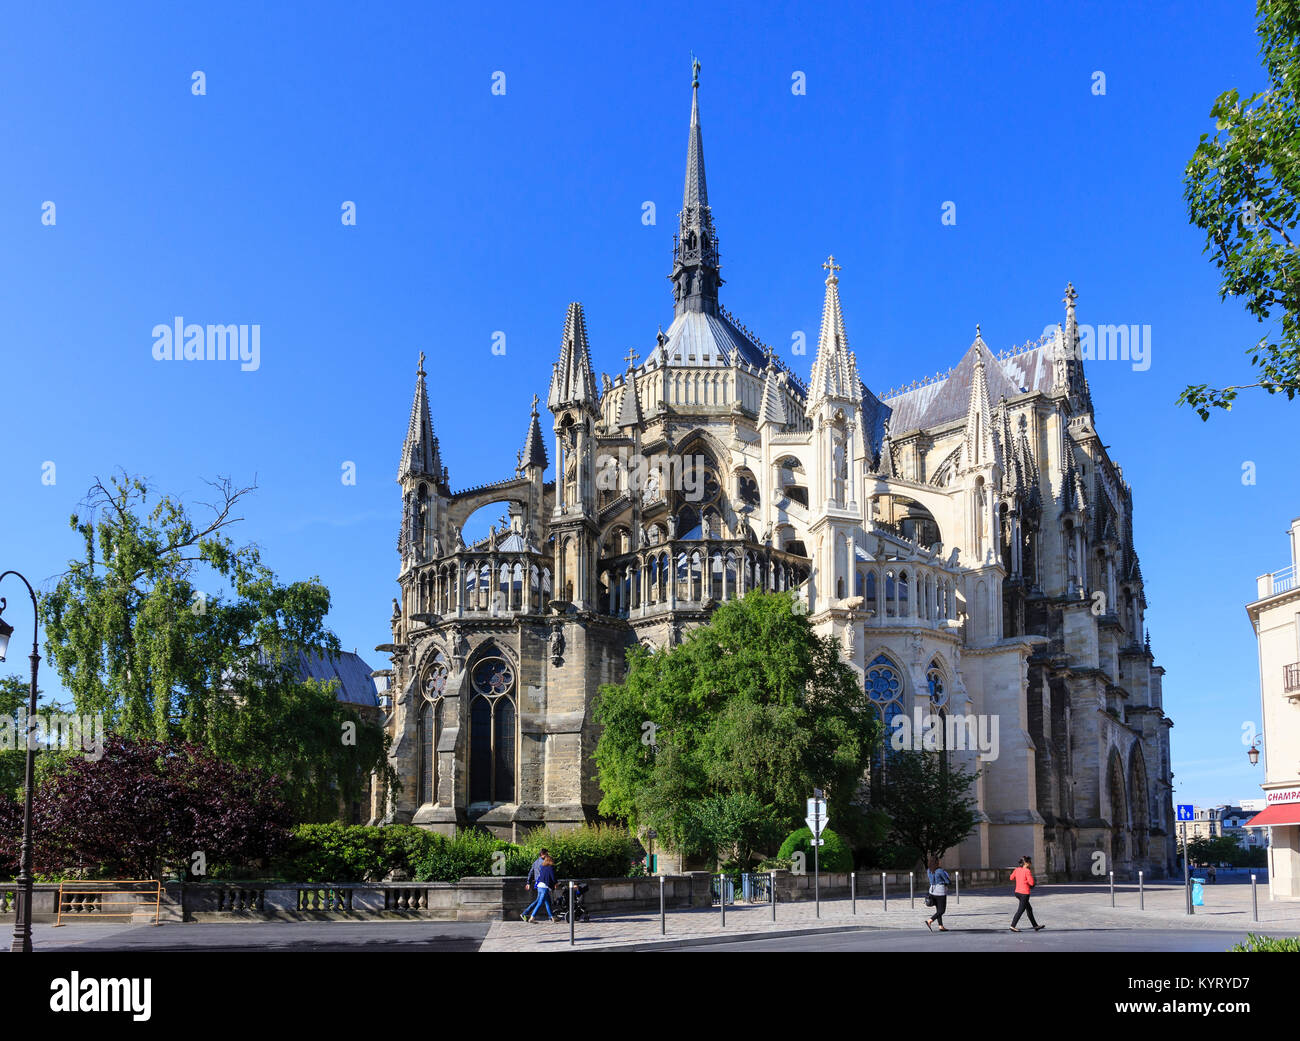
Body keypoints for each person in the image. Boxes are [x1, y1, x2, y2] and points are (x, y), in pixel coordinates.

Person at [1009, 855, 1044, 932]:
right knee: (1020, 910)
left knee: (1029, 909)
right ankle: (1012, 926)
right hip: (1024, 893)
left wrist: (1019, 878)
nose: (1030, 864)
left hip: (1017, 892)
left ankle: (1035, 926)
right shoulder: (1027, 871)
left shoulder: (1017, 869)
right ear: (1026, 863)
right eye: (1030, 862)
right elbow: (1031, 883)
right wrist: (1027, 881)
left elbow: (1011, 878)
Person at [524, 854, 557, 923]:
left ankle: (552, 917)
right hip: (545, 887)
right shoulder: (550, 868)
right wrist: (555, 883)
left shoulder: (542, 867)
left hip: (539, 886)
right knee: (540, 903)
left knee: (547, 902)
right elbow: (553, 878)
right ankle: (532, 917)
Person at [925, 857, 951, 932]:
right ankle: (930, 920)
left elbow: (931, 880)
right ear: (936, 862)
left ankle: (941, 926)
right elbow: (947, 881)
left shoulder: (928, 870)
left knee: (938, 909)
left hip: (932, 891)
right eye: (939, 861)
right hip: (940, 892)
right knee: (942, 910)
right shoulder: (940, 871)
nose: (940, 862)